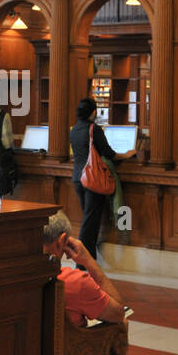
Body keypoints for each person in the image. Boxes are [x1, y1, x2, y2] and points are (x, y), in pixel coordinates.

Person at [42, 211, 139, 355]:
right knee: (121, 324)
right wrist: (88, 261)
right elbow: (118, 312)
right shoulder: (74, 282)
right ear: (62, 240)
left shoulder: (13, 276)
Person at [70, 97, 117, 259]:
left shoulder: (74, 129)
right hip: (92, 179)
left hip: (77, 178)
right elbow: (109, 153)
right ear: (94, 112)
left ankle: (89, 260)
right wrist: (128, 154)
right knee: (89, 224)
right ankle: (81, 261)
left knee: (89, 220)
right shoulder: (93, 129)